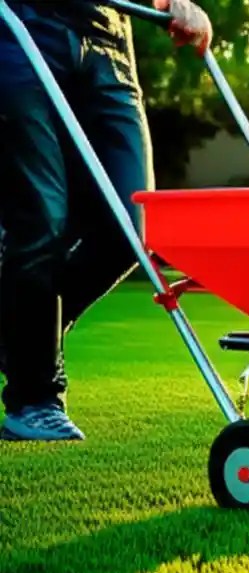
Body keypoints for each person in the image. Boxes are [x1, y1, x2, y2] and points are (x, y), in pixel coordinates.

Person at [0, 0, 211, 442]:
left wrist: (176, 4)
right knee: (42, 219)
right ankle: (35, 400)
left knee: (131, 231)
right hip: (22, 24)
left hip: (111, 39)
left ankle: (19, 334)